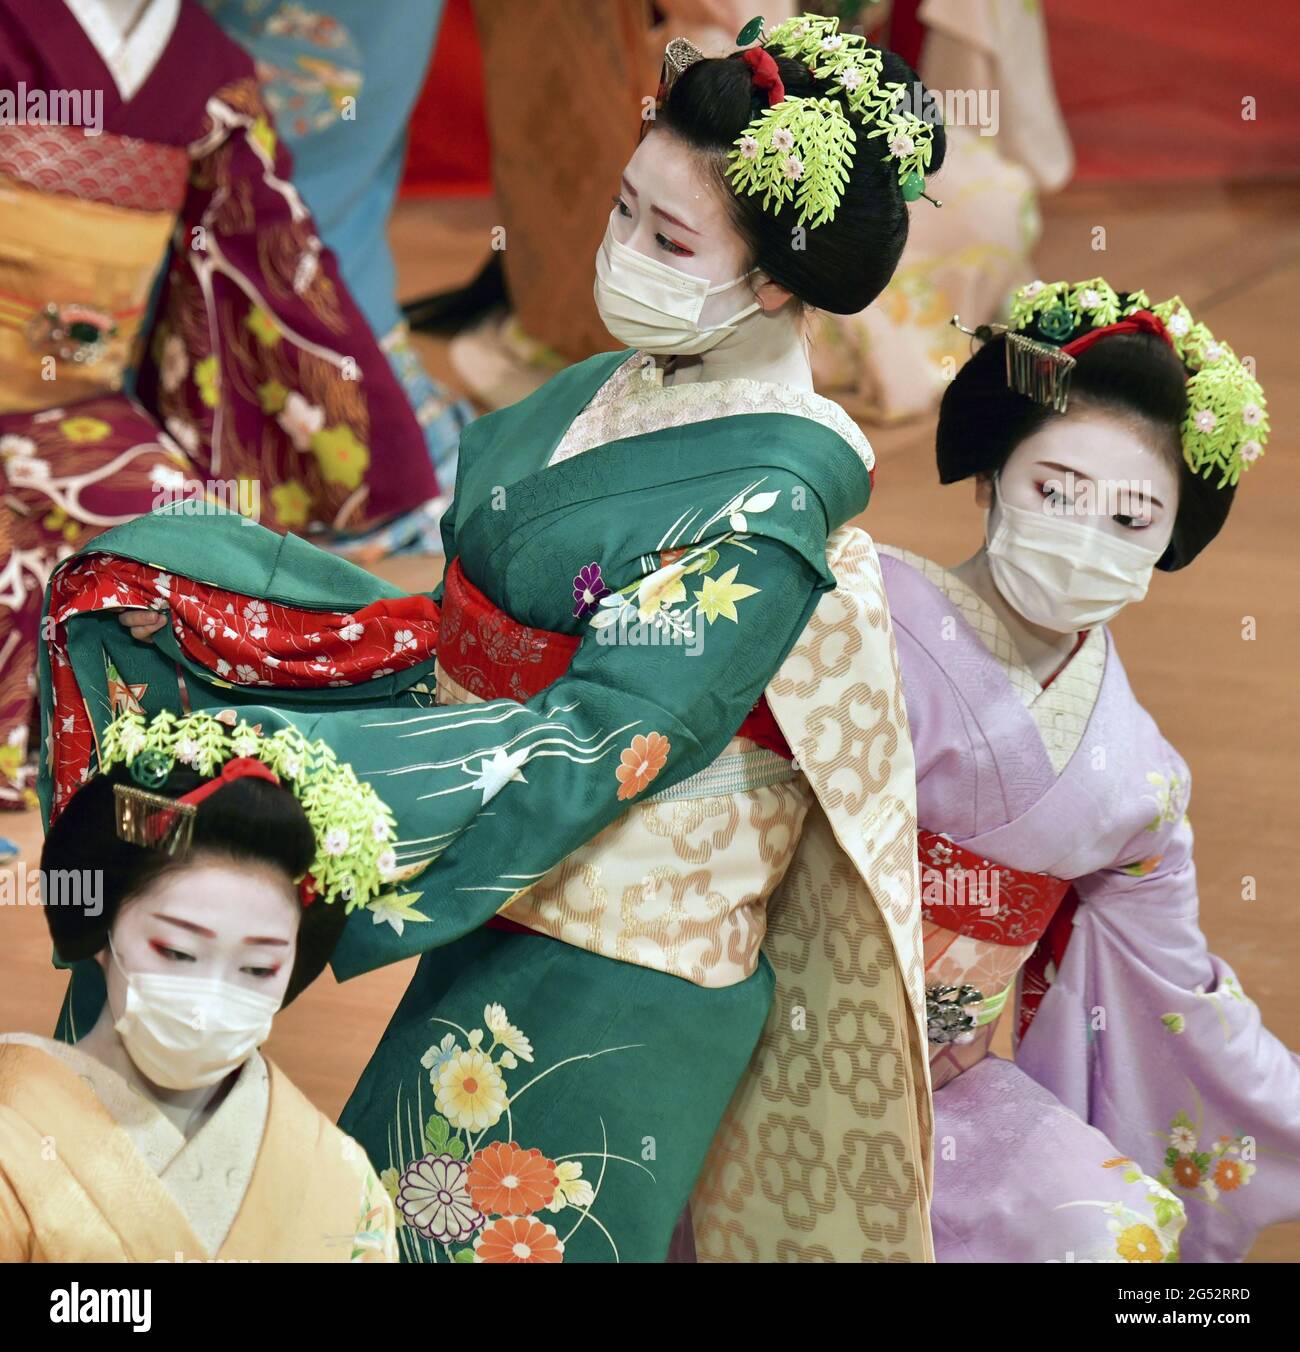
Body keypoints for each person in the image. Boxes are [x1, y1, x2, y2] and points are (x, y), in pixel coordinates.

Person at [42, 15, 947, 1262]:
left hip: (615, 939)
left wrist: (329, 783)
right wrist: (262, 636)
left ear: (779, 280)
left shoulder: (768, 505)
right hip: (520, 855)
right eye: (623, 209)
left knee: (450, 1232)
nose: (622, 249)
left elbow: (603, 737)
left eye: (667, 237)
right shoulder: (623, 381)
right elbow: (470, 623)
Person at [879, 277, 1300, 1261]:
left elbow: (1179, 997)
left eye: (1131, 517)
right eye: (1056, 490)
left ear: (1169, 540)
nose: (1084, 536)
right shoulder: (856, 619)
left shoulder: (1138, 777)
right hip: (762, 1039)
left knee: (1109, 1235)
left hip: (938, 1092)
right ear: (989, 470)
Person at [0, 0, 442, 806]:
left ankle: (154, 754)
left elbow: (260, 259)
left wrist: (370, 437)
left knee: (198, 558)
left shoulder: (205, 65)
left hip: (78, 413)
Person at [0, 708, 398, 1261]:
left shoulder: (342, 1182)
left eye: (259, 968)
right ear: (101, 927)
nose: (210, 997)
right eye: (177, 950)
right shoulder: (10, 1128)